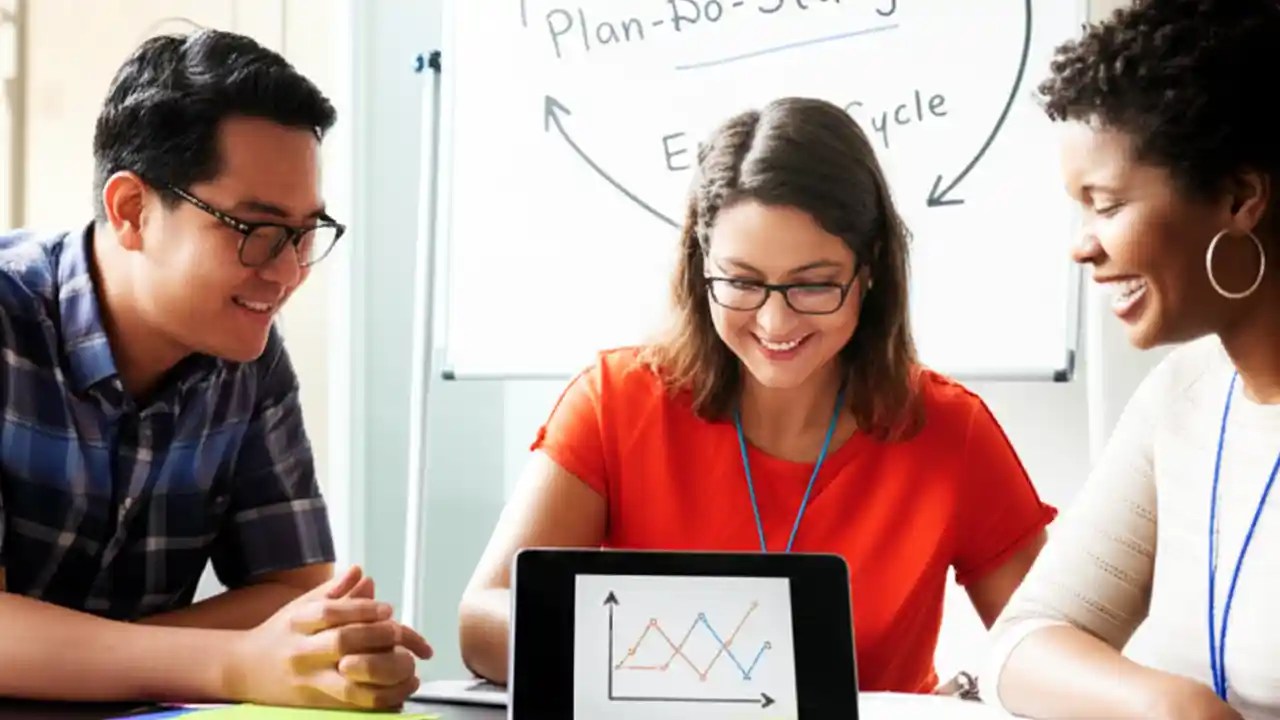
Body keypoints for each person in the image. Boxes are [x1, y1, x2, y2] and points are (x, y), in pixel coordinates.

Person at [458, 96, 1057, 692]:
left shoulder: (950, 430)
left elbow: (1051, 645)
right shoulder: (615, 401)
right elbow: (484, 619)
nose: (774, 323)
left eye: (815, 285)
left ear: (869, 267)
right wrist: (699, 673)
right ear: (702, 265)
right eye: (741, 282)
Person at [0, 29, 429, 710]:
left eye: (304, 232)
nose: (287, 273)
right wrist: (227, 662)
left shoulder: (246, 355)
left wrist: (83, 655)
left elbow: (297, 595)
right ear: (132, 210)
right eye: (255, 229)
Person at [979, 2, 1280, 718]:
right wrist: (1175, 708)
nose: (1082, 245)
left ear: (1239, 198)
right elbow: (1019, 644)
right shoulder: (1183, 396)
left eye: (1106, 205)